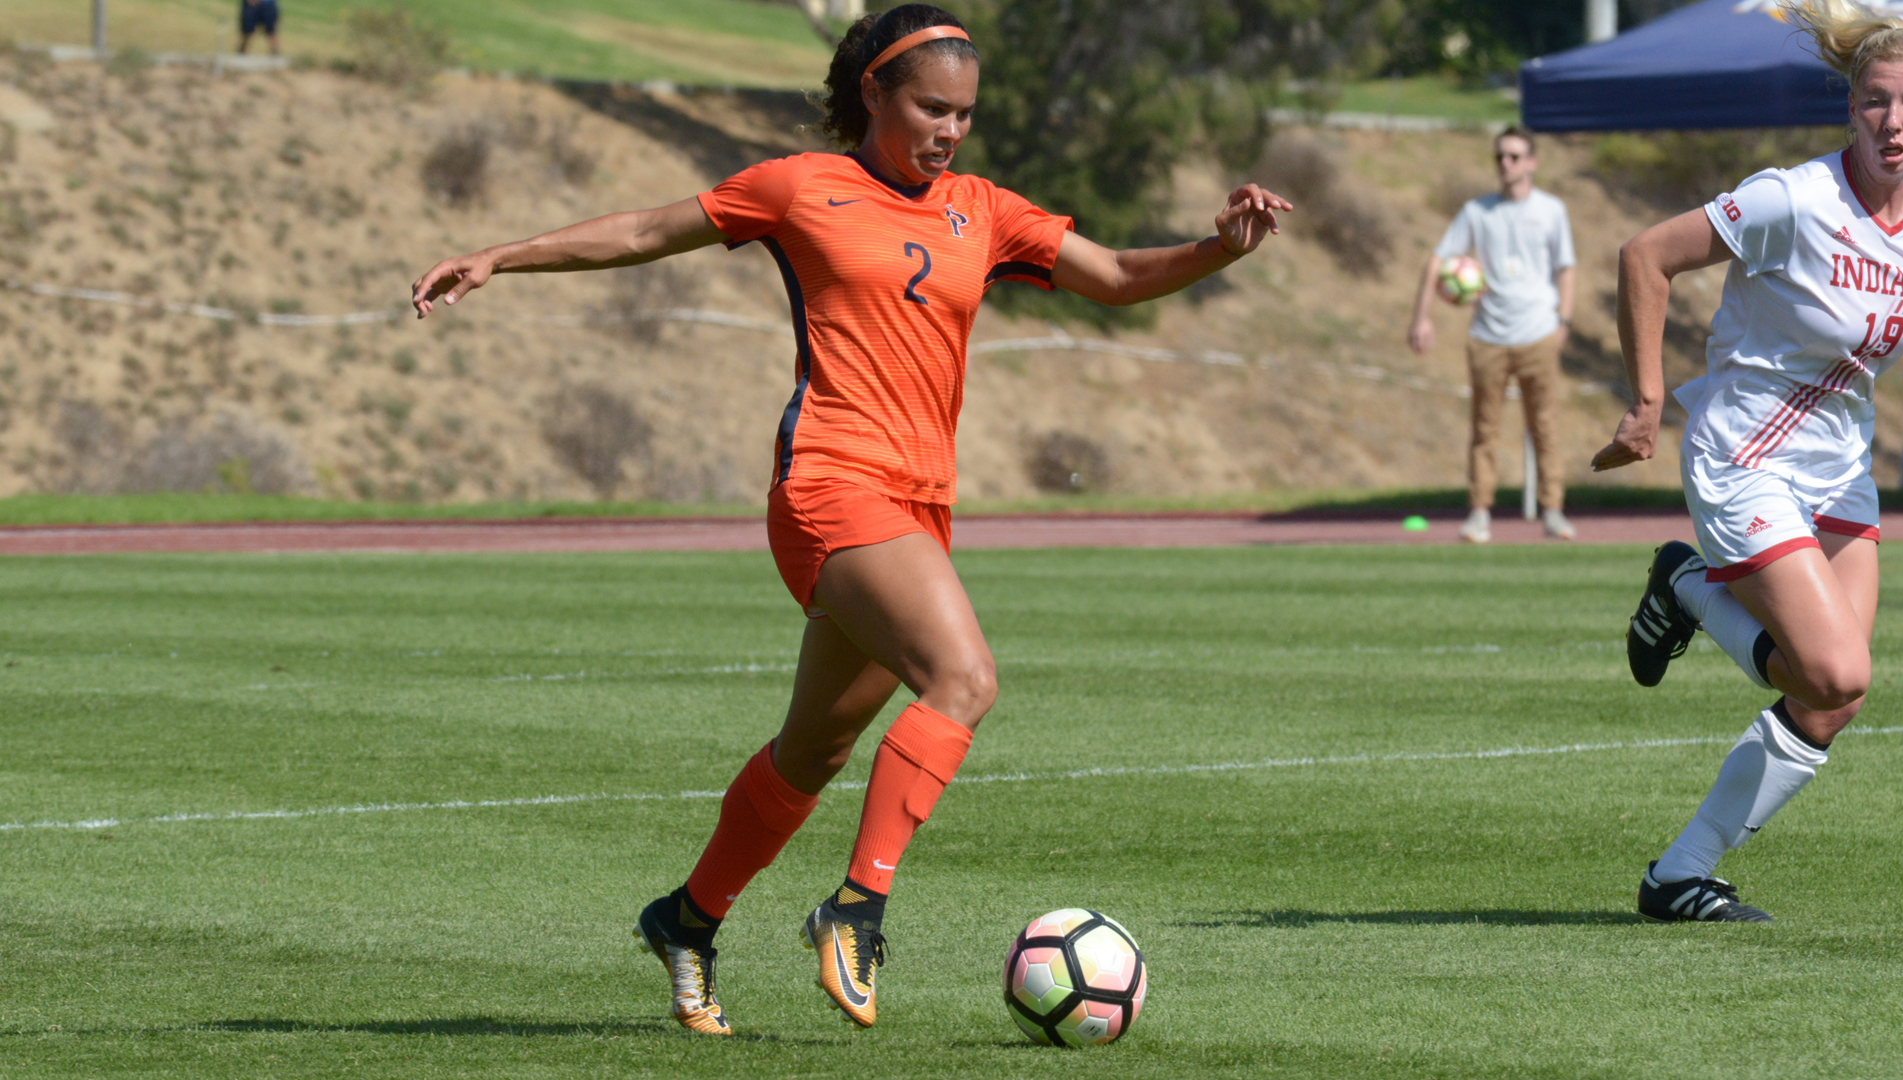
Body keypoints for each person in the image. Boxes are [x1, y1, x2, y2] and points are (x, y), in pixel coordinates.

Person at [409, 3, 1287, 1033]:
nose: (949, 130)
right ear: (873, 92)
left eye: (964, 114)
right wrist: (502, 256)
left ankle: (686, 920)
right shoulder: (801, 187)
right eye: (930, 108)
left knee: (811, 756)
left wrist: (1217, 248)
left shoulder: (984, 209)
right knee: (963, 681)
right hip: (828, 487)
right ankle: (856, 907)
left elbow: (1121, 278)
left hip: (916, 507)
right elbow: (649, 230)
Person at [1599, 0, 1903, 922]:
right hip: (1746, 456)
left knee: (1831, 699)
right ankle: (1691, 587)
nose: (1893, 123)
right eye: (1875, 103)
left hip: (1838, 465)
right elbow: (1645, 256)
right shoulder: (1794, 198)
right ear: (1848, 109)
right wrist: (1649, 402)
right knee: (1837, 671)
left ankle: (1678, 875)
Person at [1409, 126, 1579, 543]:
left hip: (1538, 331)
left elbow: (1566, 268)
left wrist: (1564, 321)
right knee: (1484, 428)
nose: (1506, 163)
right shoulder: (1476, 211)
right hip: (1488, 335)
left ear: (1532, 163)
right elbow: (1437, 260)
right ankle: (1479, 513)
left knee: (1545, 425)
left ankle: (1553, 510)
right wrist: (1421, 317)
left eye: (1515, 156)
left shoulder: (1552, 210)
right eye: (1500, 156)